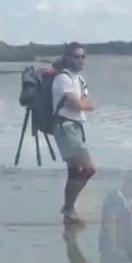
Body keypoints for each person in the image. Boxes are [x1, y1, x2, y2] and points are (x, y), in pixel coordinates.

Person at [51, 42, 96, 225]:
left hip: (75, 127)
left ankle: (69, 211)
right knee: (88, 168)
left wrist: (83, 103)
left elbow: (87, 102)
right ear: (67, 58)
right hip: (65, 127)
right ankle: (68, 208)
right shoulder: (63, 79)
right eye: (76, 56)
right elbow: (77, 105)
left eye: (83, 57)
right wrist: (83, 104)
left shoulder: (79, 79)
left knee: (74, 171)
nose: (80, 60)